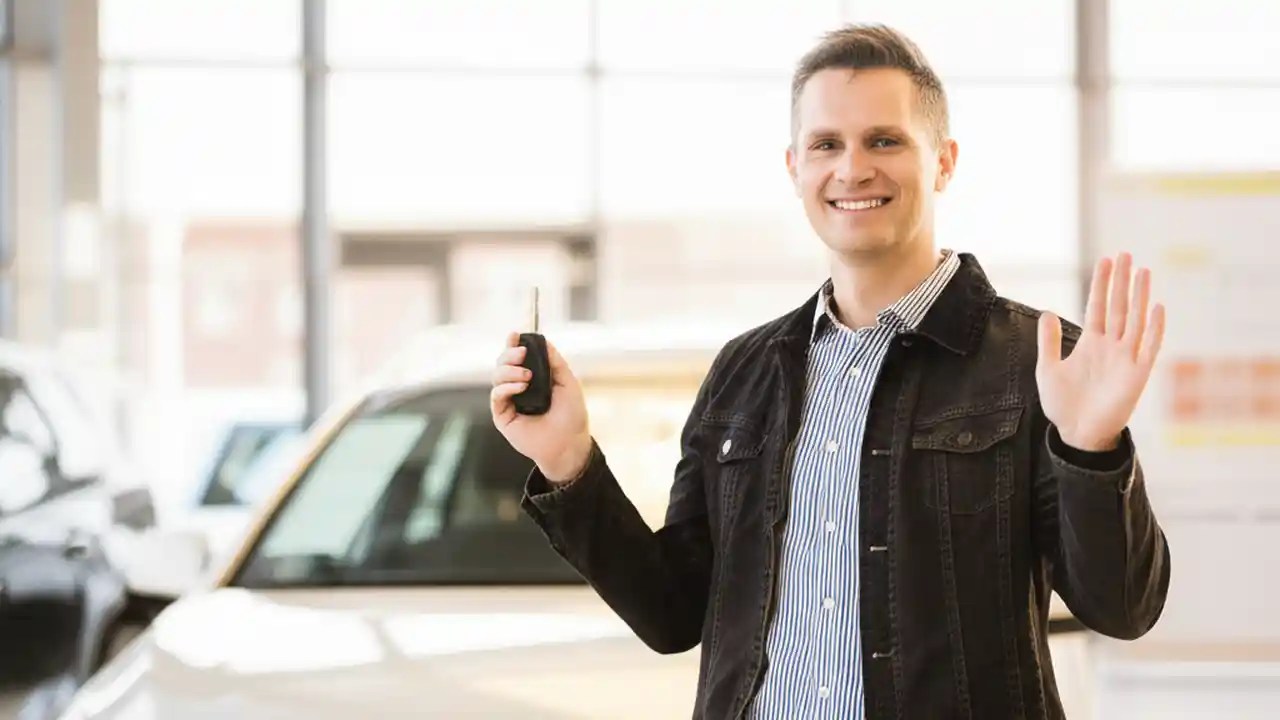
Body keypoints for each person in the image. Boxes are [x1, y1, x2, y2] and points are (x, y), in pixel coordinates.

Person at [490, 23, 1170, 720]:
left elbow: (1123, 609)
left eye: (884, 140)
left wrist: (1093, 451)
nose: (852, 170)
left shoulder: (1037, 363)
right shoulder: (745, 371)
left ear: (943, 162)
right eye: (826, 145)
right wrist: (568, 461)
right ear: (794, 168)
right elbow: (672, 614)